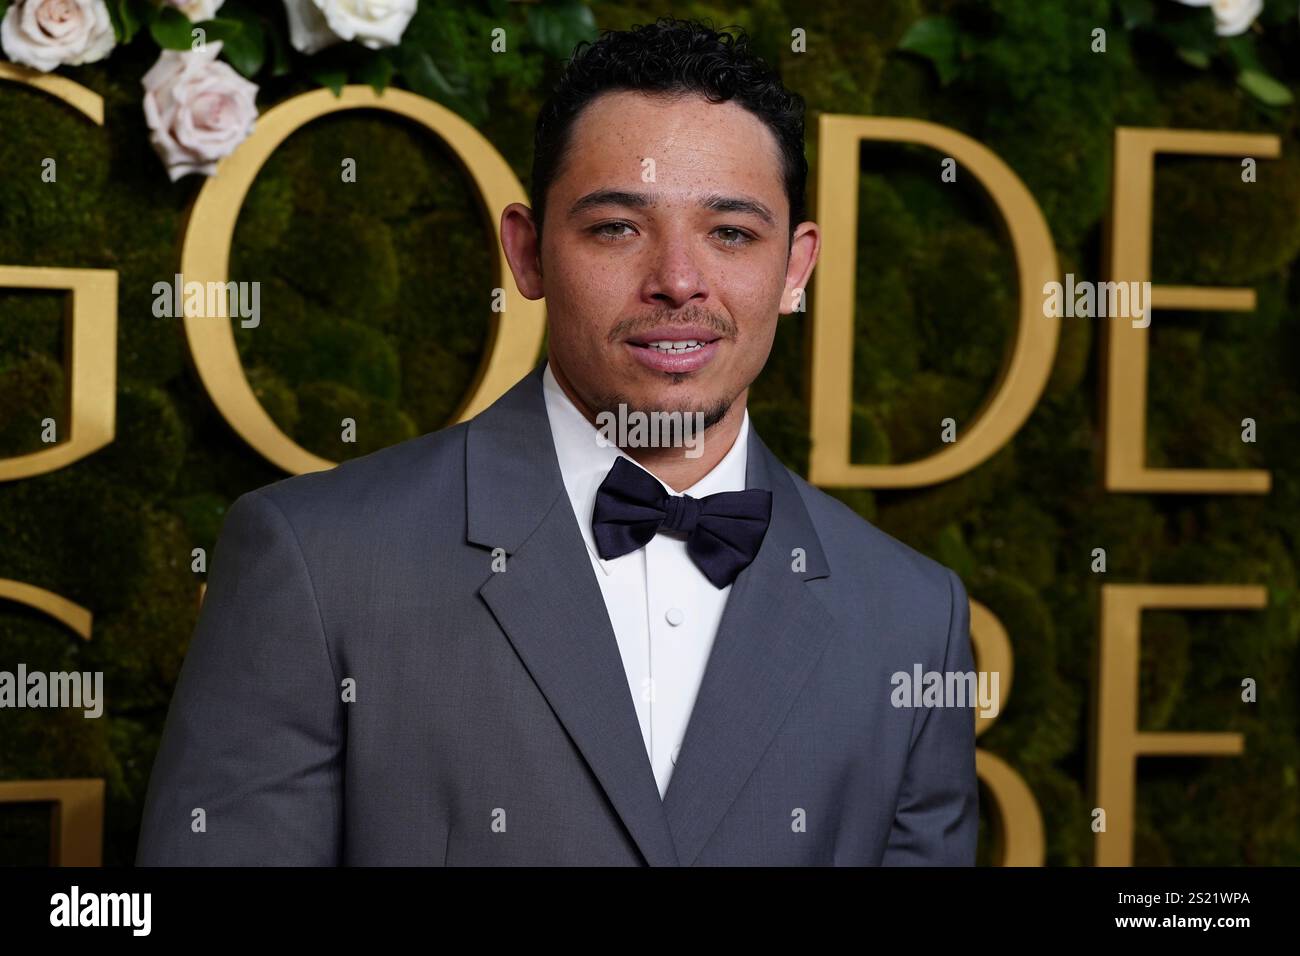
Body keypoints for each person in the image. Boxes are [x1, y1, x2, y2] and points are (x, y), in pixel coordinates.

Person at [137, 17, 977, 866]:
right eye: (617, 227)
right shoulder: (317, 563)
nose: (678, 281)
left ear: (795, 270)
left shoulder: (913, 618)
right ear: (528, 252)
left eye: (731, 232)